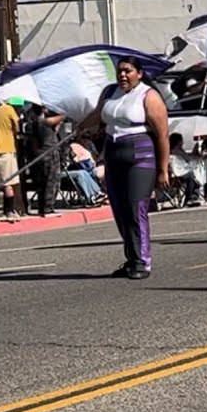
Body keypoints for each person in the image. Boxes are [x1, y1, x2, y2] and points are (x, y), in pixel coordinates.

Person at [79, 57, 170, 279]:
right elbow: (99, 114)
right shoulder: (110, 92)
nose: (122, 75)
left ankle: (142, 261)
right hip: (113, 154)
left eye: (127, 71)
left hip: (140, 156)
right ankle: (131, 258)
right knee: (120, 211)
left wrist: (163, 169)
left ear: (139, 73)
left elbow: (163, 136)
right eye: (119, 71)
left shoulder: (149, 96)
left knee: (135, 208)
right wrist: (81, 126)